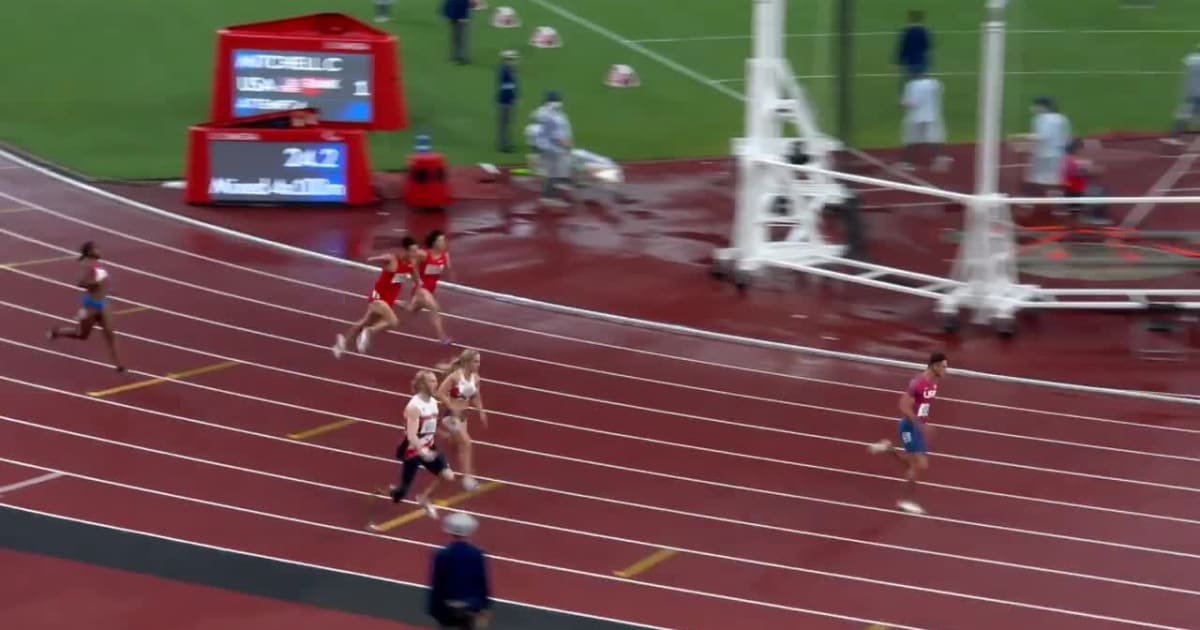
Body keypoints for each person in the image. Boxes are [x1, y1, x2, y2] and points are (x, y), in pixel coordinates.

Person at [370, 370, 456, 530]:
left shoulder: (433, 403)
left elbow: (431, 426)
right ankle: (389, 490)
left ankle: (424, 498)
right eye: (432, 381)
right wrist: (422, 451)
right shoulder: (414, 407)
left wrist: (444, 433)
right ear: (422, 385)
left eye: (436, 381)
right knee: (401, 493)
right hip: (413, 450)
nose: (435, 384)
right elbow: (411, 435)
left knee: (448, 476)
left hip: (429, 446)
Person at [868, 351, 949, 515]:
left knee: (916, 464)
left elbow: (922, 407)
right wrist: (920, 425)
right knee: (916, 465)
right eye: (943, 367)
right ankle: (906, 501)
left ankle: (888, 448)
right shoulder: (918, 383)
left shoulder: (933, 384)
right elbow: (903, 406)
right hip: (909, 427)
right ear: (934, 365)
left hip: (917, 427)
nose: (945, 371)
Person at [333, 237, 422, 358]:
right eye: (412, 251)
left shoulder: (411, 265)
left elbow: (418, 282)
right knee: (393, 322)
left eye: (416, 251)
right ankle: (370, 331)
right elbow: (376, 258)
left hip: (388, 300)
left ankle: (342, 344)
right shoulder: (392, 259)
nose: (415, 254)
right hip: (378, 298)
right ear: (404, 251)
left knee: (364, 322)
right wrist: (373, 259)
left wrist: (413, 297)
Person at [46, 241, 126, 372]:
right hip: (89, 305)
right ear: (90, 252)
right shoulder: (88, 266)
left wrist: (107, 290)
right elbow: (81, 283)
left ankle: (119, 364)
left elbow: (101, 283)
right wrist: (93, 284)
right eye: (96, 249)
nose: (99, 251)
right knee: (82, 335)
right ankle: (58, 332)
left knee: (110, 333)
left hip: (102, 304)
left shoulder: (100, 265)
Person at [428, 512, 493, 629]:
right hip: (470, 606)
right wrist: (485, 606)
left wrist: (434, 609)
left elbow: (437, 584)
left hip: (447, 605)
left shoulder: (441, 555)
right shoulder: (477, 554)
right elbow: (481, 582)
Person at [436, 349, 489, 491]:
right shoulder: (455, 377)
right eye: (476, 361)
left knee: (459, 443)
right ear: (467, 362)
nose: (478, 364)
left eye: (479, 361)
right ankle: (467, 478)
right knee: (466, 443)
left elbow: (476, 397)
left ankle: (446, 435)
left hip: (462, 415)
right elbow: (440, 393)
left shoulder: (476, 378)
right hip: (450, 416)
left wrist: (481, 411)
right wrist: (451, 407)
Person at [1013, 97, 1071, 206]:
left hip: (1042, 155)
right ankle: (1057, 204)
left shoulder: (1040, 119)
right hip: (1058, 154)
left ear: (1042, 106)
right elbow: (1067, 138)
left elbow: (1042, 136)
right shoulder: (1062, 118)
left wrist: (1022, 138)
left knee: (1035, 179)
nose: (1033, 108)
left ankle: (1030, 203)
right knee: (1055, 179)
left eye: (1036, 105)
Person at [897, 70, 952, 172]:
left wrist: (902, 103)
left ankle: (906, 163)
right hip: (932, 117)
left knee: (911, 141)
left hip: (916, 118)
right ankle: (939, 159)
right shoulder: (935, 83)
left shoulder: (912, 85)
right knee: (932, 139)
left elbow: (913, 103)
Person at [532, 91, 573, 207]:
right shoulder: (555, 117)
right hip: (551, 148)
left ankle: (561, 183)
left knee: (554, 169)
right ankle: (549, 196)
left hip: (541, 146)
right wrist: (567, 147)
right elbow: (559, 137)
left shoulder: (541, 112)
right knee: (554, 170)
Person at [414, 230, 453, 345]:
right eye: (440, 240)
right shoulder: (424, 254)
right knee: (434, 307)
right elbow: (413, 265)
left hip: (431, 289)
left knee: (408, 311)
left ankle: (387, 308)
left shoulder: (445, 255)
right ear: (434, 242)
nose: (443, 242)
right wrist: (417, 282)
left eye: (444, 240)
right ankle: (442, 337)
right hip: (421, 289)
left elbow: (447, 270)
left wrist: (450, 275)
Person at [1163, 43, 1200, 147]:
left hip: (1191, 91)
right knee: (1186, 115)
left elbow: (1187, 63)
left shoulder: (1191, 58)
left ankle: (1173, 136)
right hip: (1198, 93)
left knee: (1184, 115)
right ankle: (1173, 137)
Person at [894, 10, 932, 93]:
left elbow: (902, 48)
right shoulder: (924, 31)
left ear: (910, 20)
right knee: (922, 82)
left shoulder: (906, 32)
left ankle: (906, 100)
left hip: (909, 62)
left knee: (908, 83)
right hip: (922, 62)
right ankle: (921, 99)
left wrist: (898, 62)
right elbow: (928, 47)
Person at [496, 50, 519, 153]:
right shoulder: (504, 70)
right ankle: (503, 145)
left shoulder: (510, 70)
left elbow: (514, 85)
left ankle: (506, 143)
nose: (514, 61)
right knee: (504, 123)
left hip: (508, 100)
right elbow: (505, 86)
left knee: (507, 123)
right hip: (504, 100)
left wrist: (515, 96)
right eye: (512, 59)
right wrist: (513, 97)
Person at [442, 0, 471, 65]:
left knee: (460, 37)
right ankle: (456, 55)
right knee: (455, 36)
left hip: (461, 15)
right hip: (454, 15)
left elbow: (465, 4)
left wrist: (464, 17)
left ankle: (462, 57)